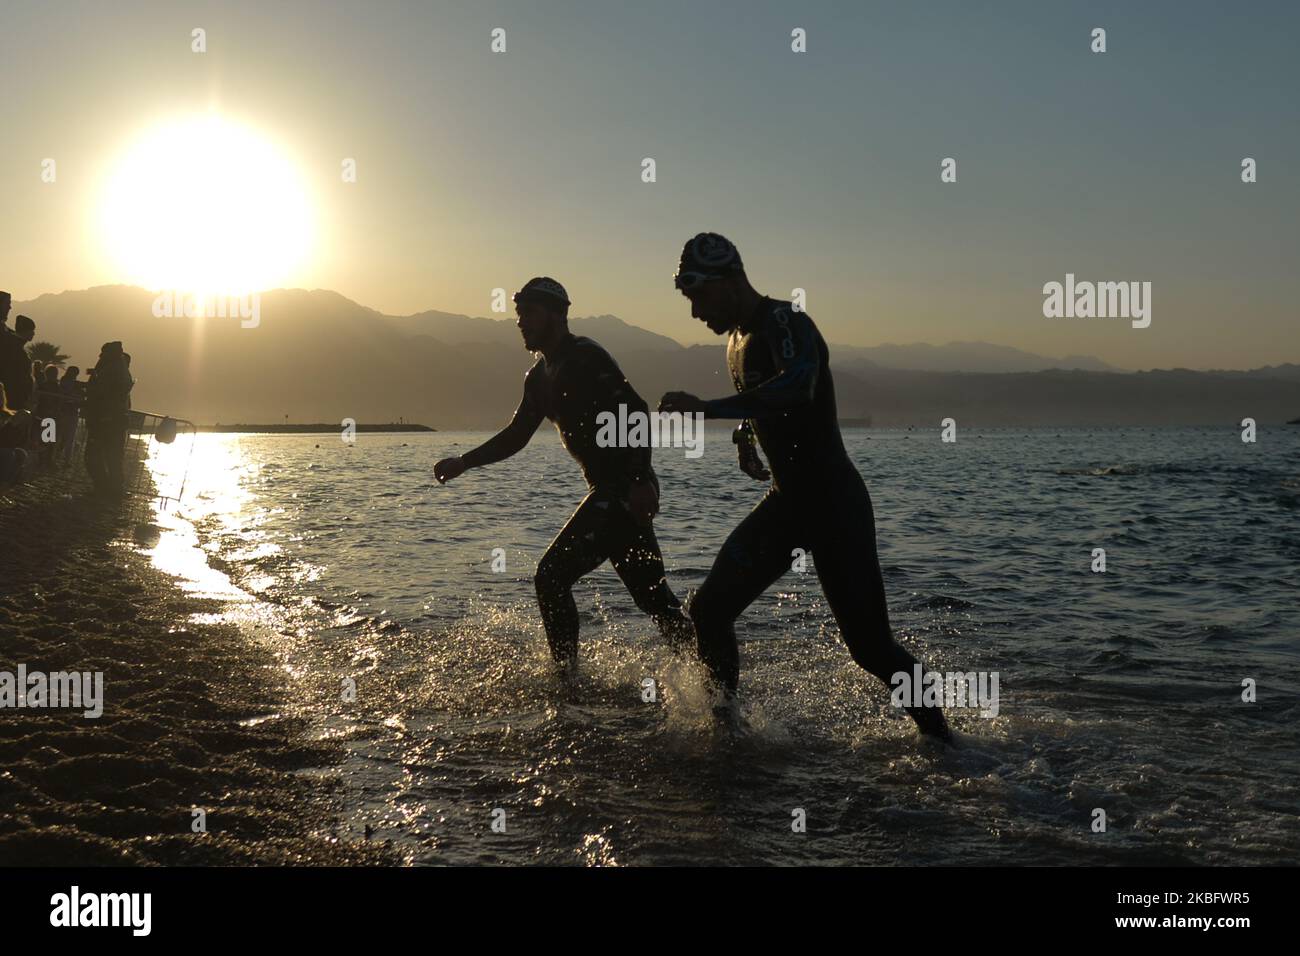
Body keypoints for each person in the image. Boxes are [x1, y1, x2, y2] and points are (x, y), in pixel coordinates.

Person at [659, 233, 952, 742]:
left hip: (834, 502)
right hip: (787, 503)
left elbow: (799, 386)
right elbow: (763, 397)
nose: (694, 314)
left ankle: (944, 743)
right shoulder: (735, 341)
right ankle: (725, 731)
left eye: (698, 298)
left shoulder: (785, 321)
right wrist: (744, 433)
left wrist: (709, 410)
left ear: (729, 282)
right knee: (710, 610)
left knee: (872, 649)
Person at [433, 277, 692, 674]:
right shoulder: (538, 378)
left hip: (623, 488)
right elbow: (517, 435)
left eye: (528, 313)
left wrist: (639, 478)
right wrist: (465, 462)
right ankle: (715, 680)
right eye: (518, 314)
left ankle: (566, 679)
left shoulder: (586, 356)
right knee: (655, 601)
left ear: (556, 314)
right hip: (610, 493)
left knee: (551, 577)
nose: (520, 322)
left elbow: (635, 411)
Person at [83, 341, 133, 497]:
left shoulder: (113, 370)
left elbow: (104, 394)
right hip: (111, 419)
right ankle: (111, 488)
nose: (100, 356)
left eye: (104, 353)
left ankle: (106, 487)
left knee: (96, 456)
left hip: (106, 419)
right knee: (112, 456)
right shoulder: (118, 370)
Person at [0, 314, 36, 413]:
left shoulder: (14, 345)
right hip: (15, 398)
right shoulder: (15, 349)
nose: (33, 333)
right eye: (32, 330)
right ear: (26, 331)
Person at [0, 382, 32, 484]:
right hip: (4, 449)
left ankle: (4, 488)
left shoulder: (7, 415)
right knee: (8, 454)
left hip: (5, 447)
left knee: (20, 454)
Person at [57, 366, 83, 467]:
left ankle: (65, 459)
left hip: (69, 412)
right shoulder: (69, 383)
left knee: (67, 438)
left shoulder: (68, 383)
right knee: (65, 437)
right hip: (66, 412)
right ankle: (64, 459)